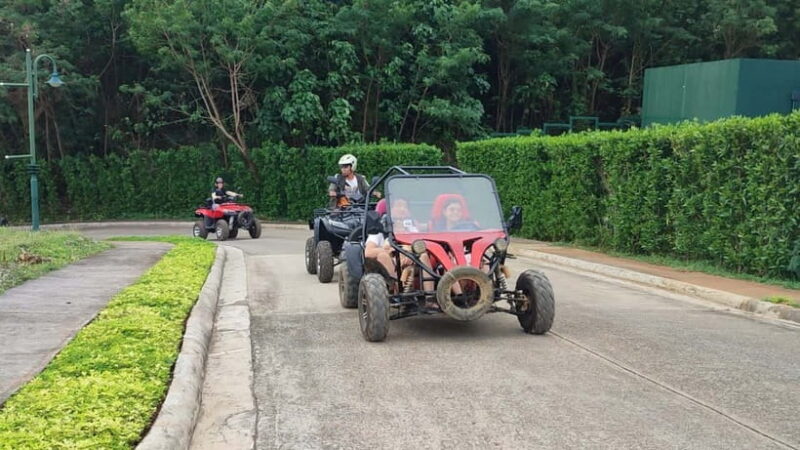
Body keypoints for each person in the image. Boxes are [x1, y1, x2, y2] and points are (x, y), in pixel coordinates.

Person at [364, 198, 434, 293]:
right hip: (389, 262)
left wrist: (411, 255)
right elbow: (368, 252)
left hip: (411, 262)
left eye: (405, 207)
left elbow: (420, 247)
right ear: (390, 210)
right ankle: (397, 291)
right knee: (382, 256)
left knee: (424, 256)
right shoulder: (379, 230)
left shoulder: (412, 229)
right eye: (398, 206)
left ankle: (429, 296)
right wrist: (389, 250)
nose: (402, 209)